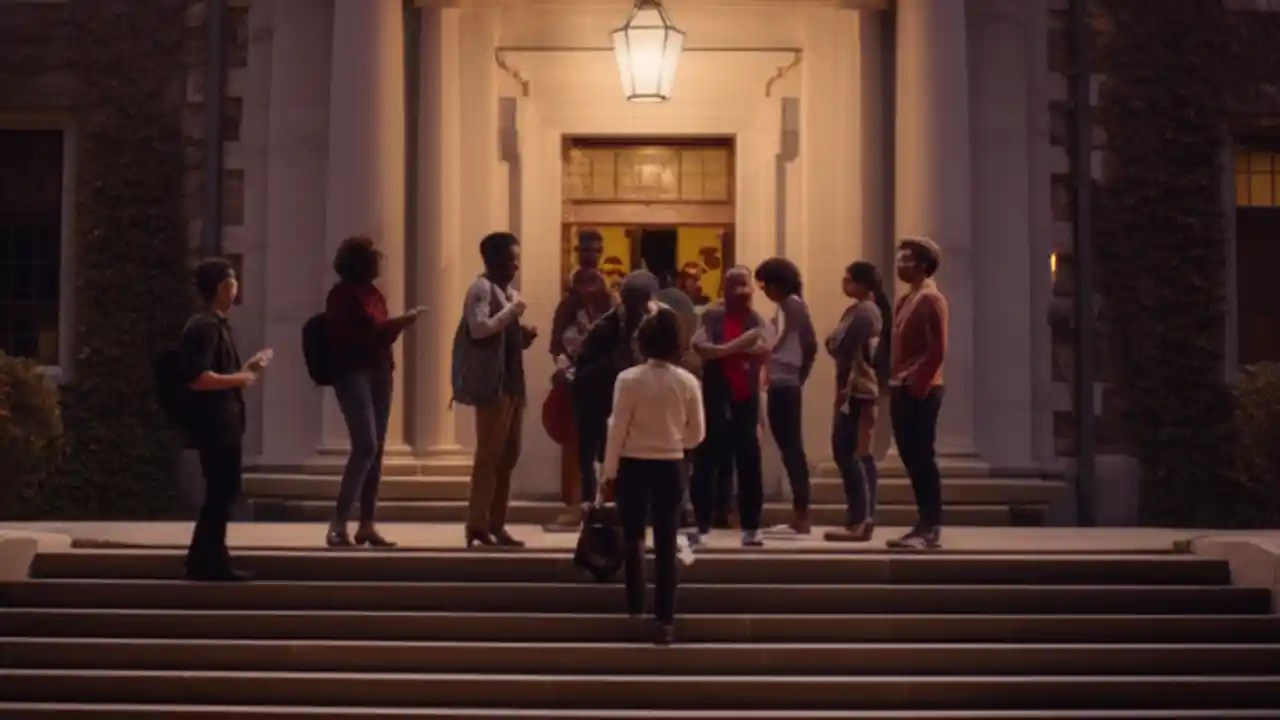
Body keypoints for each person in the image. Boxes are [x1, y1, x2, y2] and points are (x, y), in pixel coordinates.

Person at [603, 307, 705, 646]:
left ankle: (634, 605)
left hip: (633, 462)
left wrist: (609, 471)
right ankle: (665, 620)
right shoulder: (687, 381)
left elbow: (617, 429)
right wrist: (677, 443)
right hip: (671, 464)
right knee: (666, 541)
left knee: (633, 538)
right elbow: (698, 433)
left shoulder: (628, 380)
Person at [322, 236, 420, 549]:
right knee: (364, 444)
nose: (380, 262)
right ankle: (338, 522)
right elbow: (354, 334)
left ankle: (367, 524)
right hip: (352, 372)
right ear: (361, 262)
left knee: (376, 447)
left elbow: (379, 333)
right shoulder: (341, 295)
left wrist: (395, 326)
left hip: (379, 370)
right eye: (374, 257)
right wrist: (396, 324)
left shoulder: (374, 294)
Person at [178, 258, 272, 582]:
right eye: (232, 282)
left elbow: (216, 374)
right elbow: (197, 378)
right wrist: (239, 380)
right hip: (214, 425)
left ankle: (204, 559)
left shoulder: (215, 325)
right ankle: (210, 562)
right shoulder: (204, 327)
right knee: (221, 493)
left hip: (224, 424)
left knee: (222, 493)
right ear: (221, 288)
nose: (236, 288)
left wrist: (247, 369)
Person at [453, 232, 537, 549]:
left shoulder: (508, 292)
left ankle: (497, 524)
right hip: (493, 386)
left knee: (508, 456)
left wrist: (522, 334)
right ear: (491, 260)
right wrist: (512, 313)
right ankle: (477, 524)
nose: (515, 265)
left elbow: (499, 333)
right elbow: (479, 328)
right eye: (509, 259)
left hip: (513, 384)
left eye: (516, 259)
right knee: (488, 455)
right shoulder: (481, 289)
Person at [691, 267, 769, 547]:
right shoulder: (712, 315)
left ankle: (751, 526)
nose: (739, 291)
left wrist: (722, 351)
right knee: (707, 459)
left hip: (745, 396)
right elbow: (699, 345)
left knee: (748, 460)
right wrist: (734, 350)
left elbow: (760, 346)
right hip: (715, 394)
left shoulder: (755, 319)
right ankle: (702, 526)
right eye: (733, 284)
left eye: (743, 284)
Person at [572, 270, 661, 512]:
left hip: (633, 403)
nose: (639, 311)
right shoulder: (604, 328)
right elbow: (582, 371)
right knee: (594, 454)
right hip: (597, 400)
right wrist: (612, 363)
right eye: (634, 304)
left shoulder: (652, 324)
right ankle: (591, 504)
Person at [887, 237, 948, 550]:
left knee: (923, 456)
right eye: (900, 258)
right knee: (910, 457)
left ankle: (931, 526)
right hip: (901, 386)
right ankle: (922, 523)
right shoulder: (904, 300)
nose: (901, 264)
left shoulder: (931, 300)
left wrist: (916, 383)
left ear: (923, 265)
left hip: (922, 389)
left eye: (908, 260)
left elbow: (938, 349)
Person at [754, 258, 818, 535]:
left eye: (765, 285)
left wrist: (763, 349)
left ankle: (802, 513)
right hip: (782, 382)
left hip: (784, 383)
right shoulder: (788, 307)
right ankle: (799, 513)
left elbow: (794, 341)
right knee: (789, 447)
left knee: (791, 448)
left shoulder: (791, 306)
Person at [824, 261, 885, 543]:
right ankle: (863, 517)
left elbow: (839, 344)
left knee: (846, 451)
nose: (844, 283)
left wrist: (833, 342)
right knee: (860, 453)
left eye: (848, 279)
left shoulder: (864, 312)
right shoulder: (862, 310)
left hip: (855, 389)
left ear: (862, 283)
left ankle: (860, 518)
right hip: (858, 387)